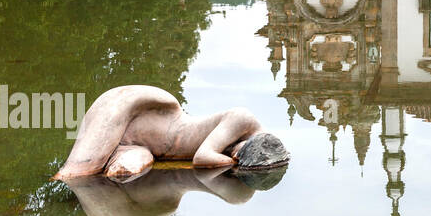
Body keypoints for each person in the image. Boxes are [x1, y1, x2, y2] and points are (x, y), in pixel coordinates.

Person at [54, 85, 288, 180]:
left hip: (147, 146)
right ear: (247, 145)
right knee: (75, 174)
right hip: (134, 115)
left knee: (126, 171)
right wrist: (233, 162)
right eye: (238, 153)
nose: (234, 154)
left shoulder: (259, 156)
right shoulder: (242, 119)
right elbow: (203, 158)